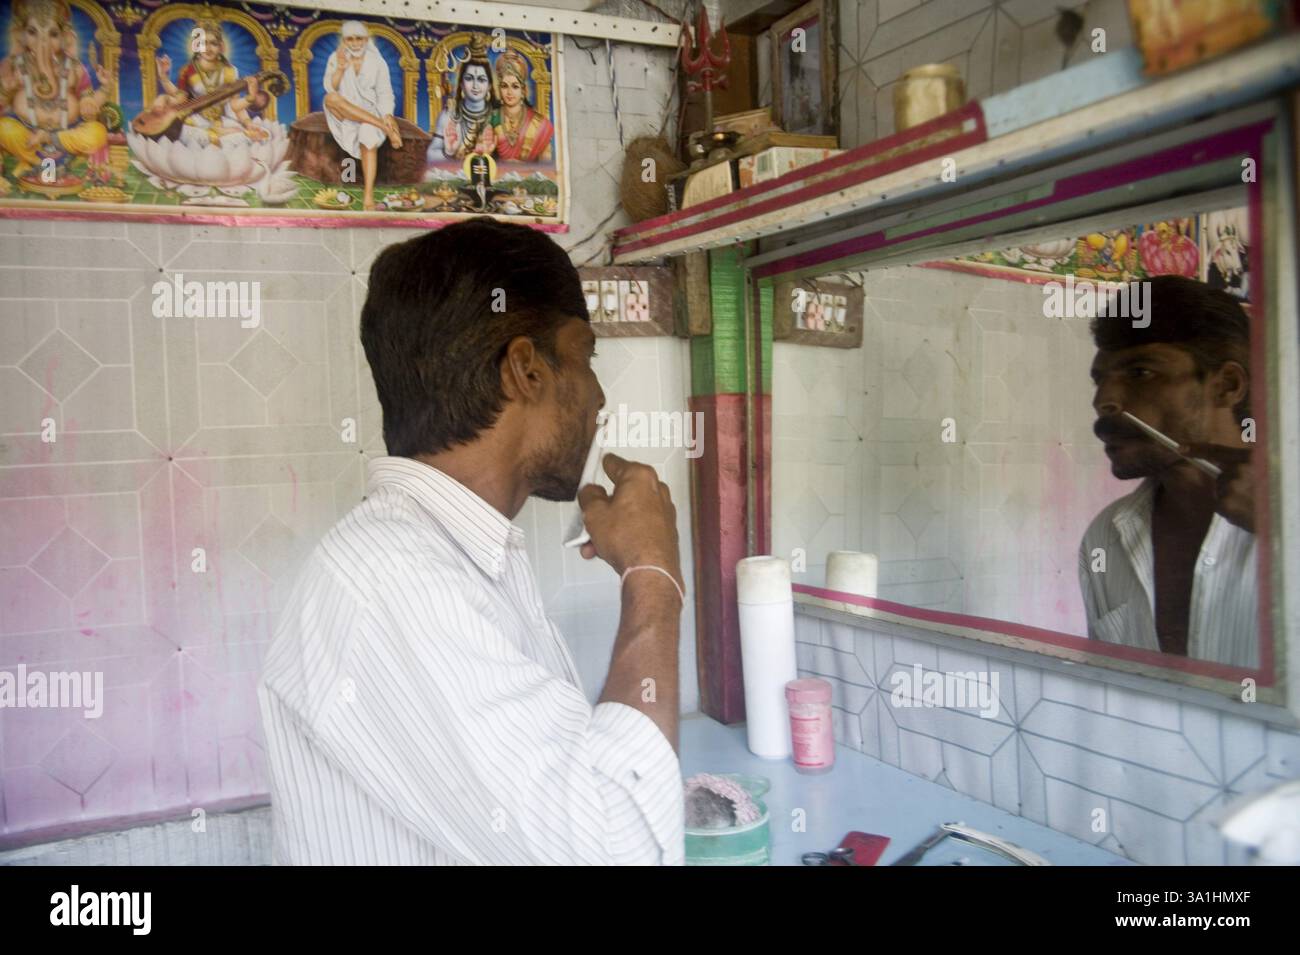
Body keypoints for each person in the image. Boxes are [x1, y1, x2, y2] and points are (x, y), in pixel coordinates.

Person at [258, 217, 687, 864]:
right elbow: (617, 844)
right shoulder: (392, 582)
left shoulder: (454, 554)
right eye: (585, 357)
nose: (599, 396)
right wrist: (654, 575)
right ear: (525, 369)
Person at [1078, 275, 1258, 667]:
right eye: (1099, 379)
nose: (1103, 400)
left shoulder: (1283, 518)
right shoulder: (1106, 538)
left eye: (1141, 373)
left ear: (1226, 385)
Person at [322, 20, 402, 211]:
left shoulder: (377, 62)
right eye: (350, 39)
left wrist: (387, 115)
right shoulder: (336, 57)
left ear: (366, 40)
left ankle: (368, 196)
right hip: (342, 112)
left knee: (367, 132)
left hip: (369, 112)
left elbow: (385, 93)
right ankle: (385, 129)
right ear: (344, 40)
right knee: (331, 98)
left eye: (359, 39)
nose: (355, 43)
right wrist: (340, 69)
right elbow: (330, 86)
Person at [492, 48, 553, 163]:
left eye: (515, 86)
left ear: (523, 91)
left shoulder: (540, 124)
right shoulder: (491, 118)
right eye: (504, 86)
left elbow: (546, 164)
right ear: (499, 89)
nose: (509, 92)